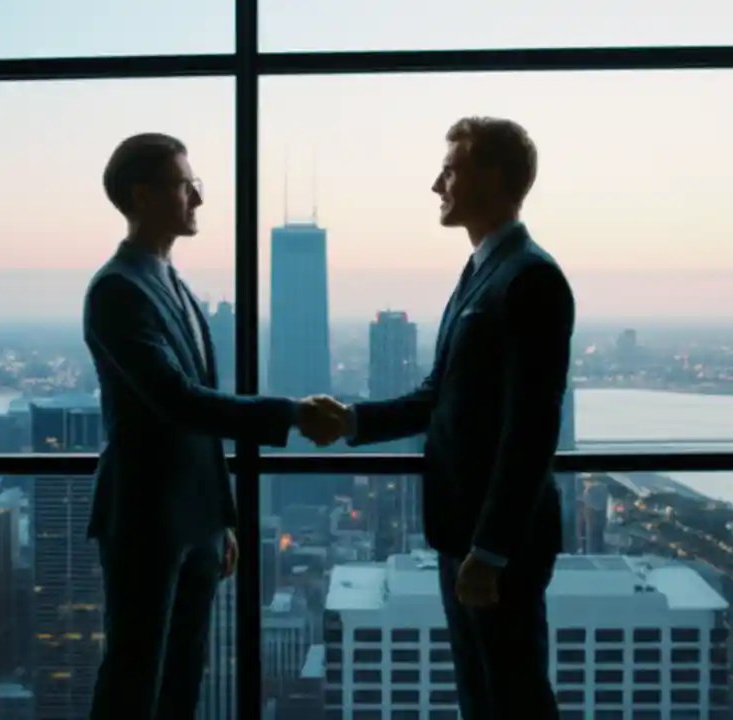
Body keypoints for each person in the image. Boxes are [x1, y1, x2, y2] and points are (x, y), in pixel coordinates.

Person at [319, 117, 575, 719]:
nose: (438, 185)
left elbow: (532, 428)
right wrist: (353, 421)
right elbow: (442, 393)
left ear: (493, 176)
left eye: (451, 170)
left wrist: (492, 550)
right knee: (481, 695)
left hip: (496, 544)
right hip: (463, 534)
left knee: (513, 697)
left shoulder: (531, 277)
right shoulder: (484, 271)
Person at [83, 132, 343, 720]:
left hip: (197, 519)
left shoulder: (171, 284)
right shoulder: (117, 290)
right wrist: (292, 413)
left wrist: (221, 518)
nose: (198, 198)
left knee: (184, 678)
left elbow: (200, 424)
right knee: (133, 678)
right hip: (145, 517)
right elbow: (179, 402)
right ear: (142, 195)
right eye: (186, 185)